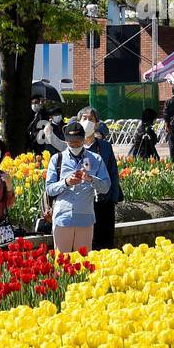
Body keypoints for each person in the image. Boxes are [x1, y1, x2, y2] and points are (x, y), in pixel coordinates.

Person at [43, 118, 111, 253]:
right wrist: (66, 182)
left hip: (85, 219)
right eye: (71, 143)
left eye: (78, 142)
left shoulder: (95, 159)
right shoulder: (57, 159)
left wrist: (90, 179)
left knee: (83, 264)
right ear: (66, 141)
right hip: (63, 218)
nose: (74, 145)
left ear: (84, 139)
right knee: (63, 264)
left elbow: (105, 187)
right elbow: (49, 189)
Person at [78, 108, 119, 250]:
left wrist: (113, 198)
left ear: (96, 124)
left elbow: (113, 172)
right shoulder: (73, 146)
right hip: (81, 203)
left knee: (105, 244)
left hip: (103, 202)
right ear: (78, 122)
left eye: (91, 119)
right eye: (84, 118)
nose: (87, 122)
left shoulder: (105, 147)